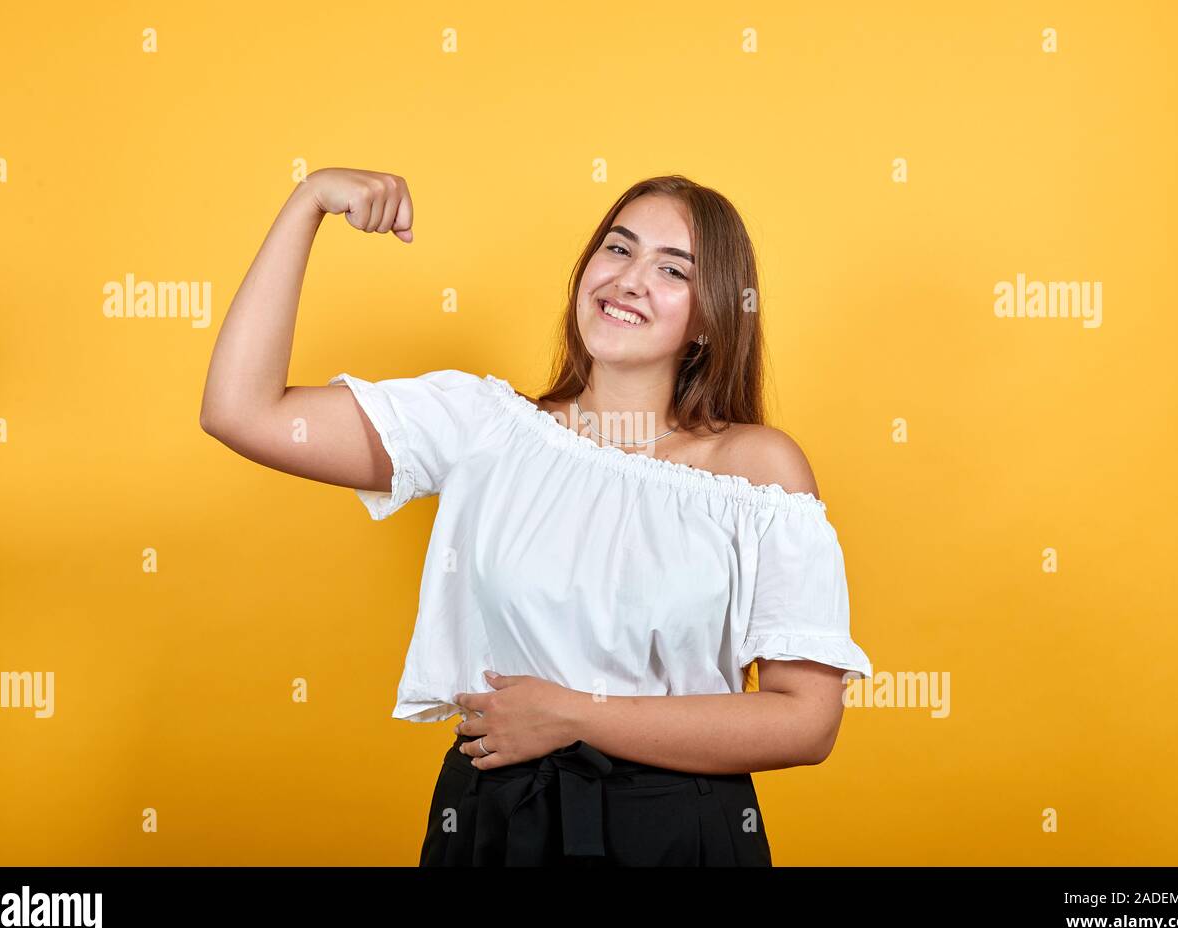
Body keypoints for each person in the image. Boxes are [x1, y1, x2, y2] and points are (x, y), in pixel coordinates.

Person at [199, 167, 874, 866]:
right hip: (499, 820)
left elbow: (806, 720)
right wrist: (306, 202)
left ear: (710, 317)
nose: (631, 279)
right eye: (618, 249)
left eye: (673, 269)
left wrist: (577, 715)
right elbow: (240, 411)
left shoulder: (756, 469)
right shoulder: (483, 427)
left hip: (679, 833)